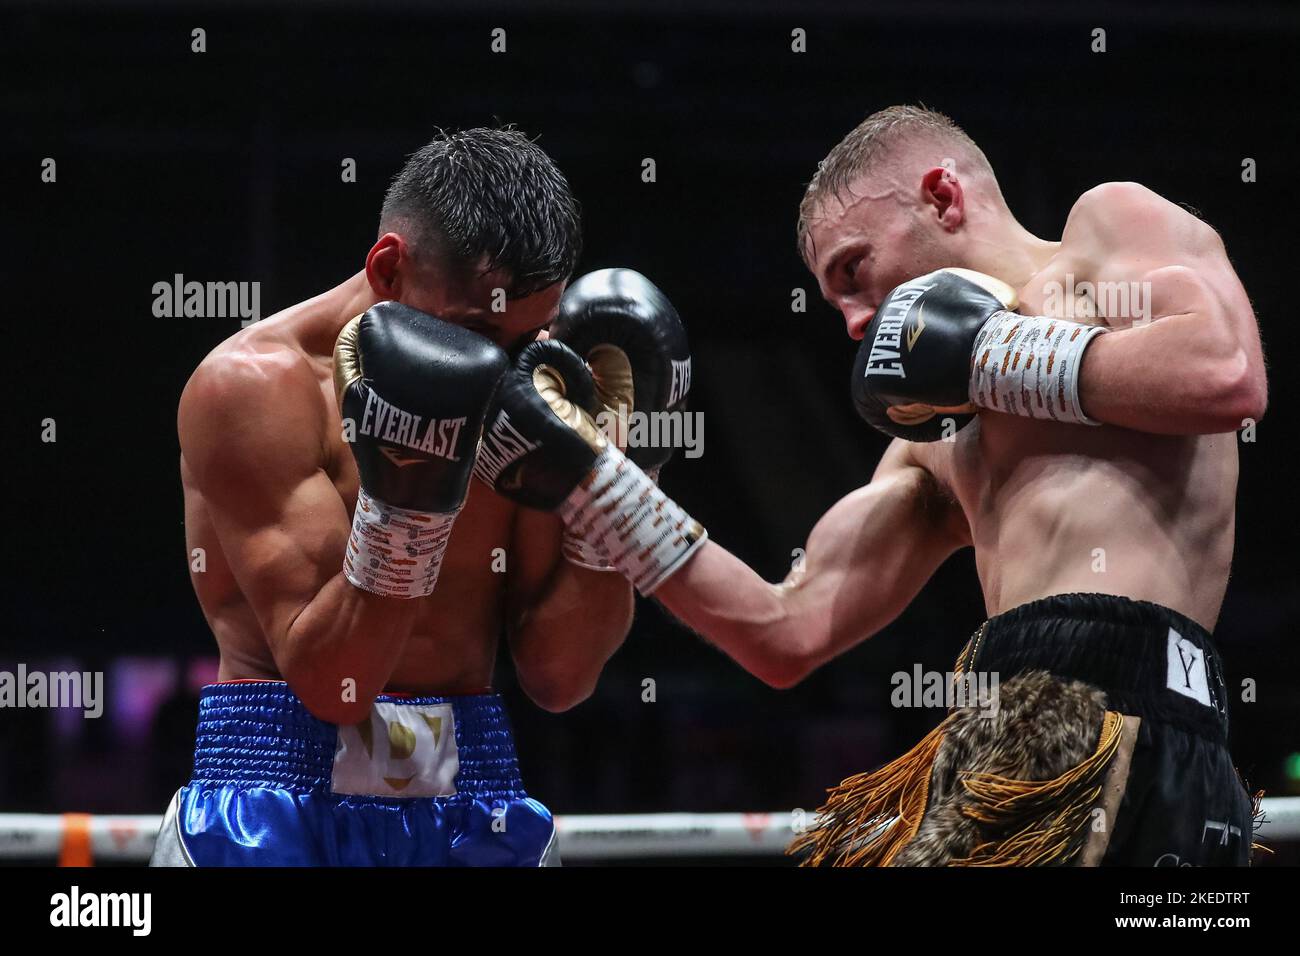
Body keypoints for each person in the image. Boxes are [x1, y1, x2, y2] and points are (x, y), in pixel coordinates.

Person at [474, 105, 1268, 866]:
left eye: (854, 272)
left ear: (942, 195)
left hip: (1111, 726)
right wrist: (597, 479)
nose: (855, 323)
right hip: (1029, 735)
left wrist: (992, 354)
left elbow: (1226, 374)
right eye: (835, 302)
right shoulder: (933, 446)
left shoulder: (1106, 232)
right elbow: (785, 633)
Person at [152, 127, 687, 866]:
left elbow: (561, 678)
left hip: (474, 803)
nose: (506, 368)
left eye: (528, 337)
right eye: (476, 331)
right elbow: (334, 686)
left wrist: (621, 477)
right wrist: (410, 501)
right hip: (271, 806)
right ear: (389, 267)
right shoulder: (254, 389)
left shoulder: (534, 386)